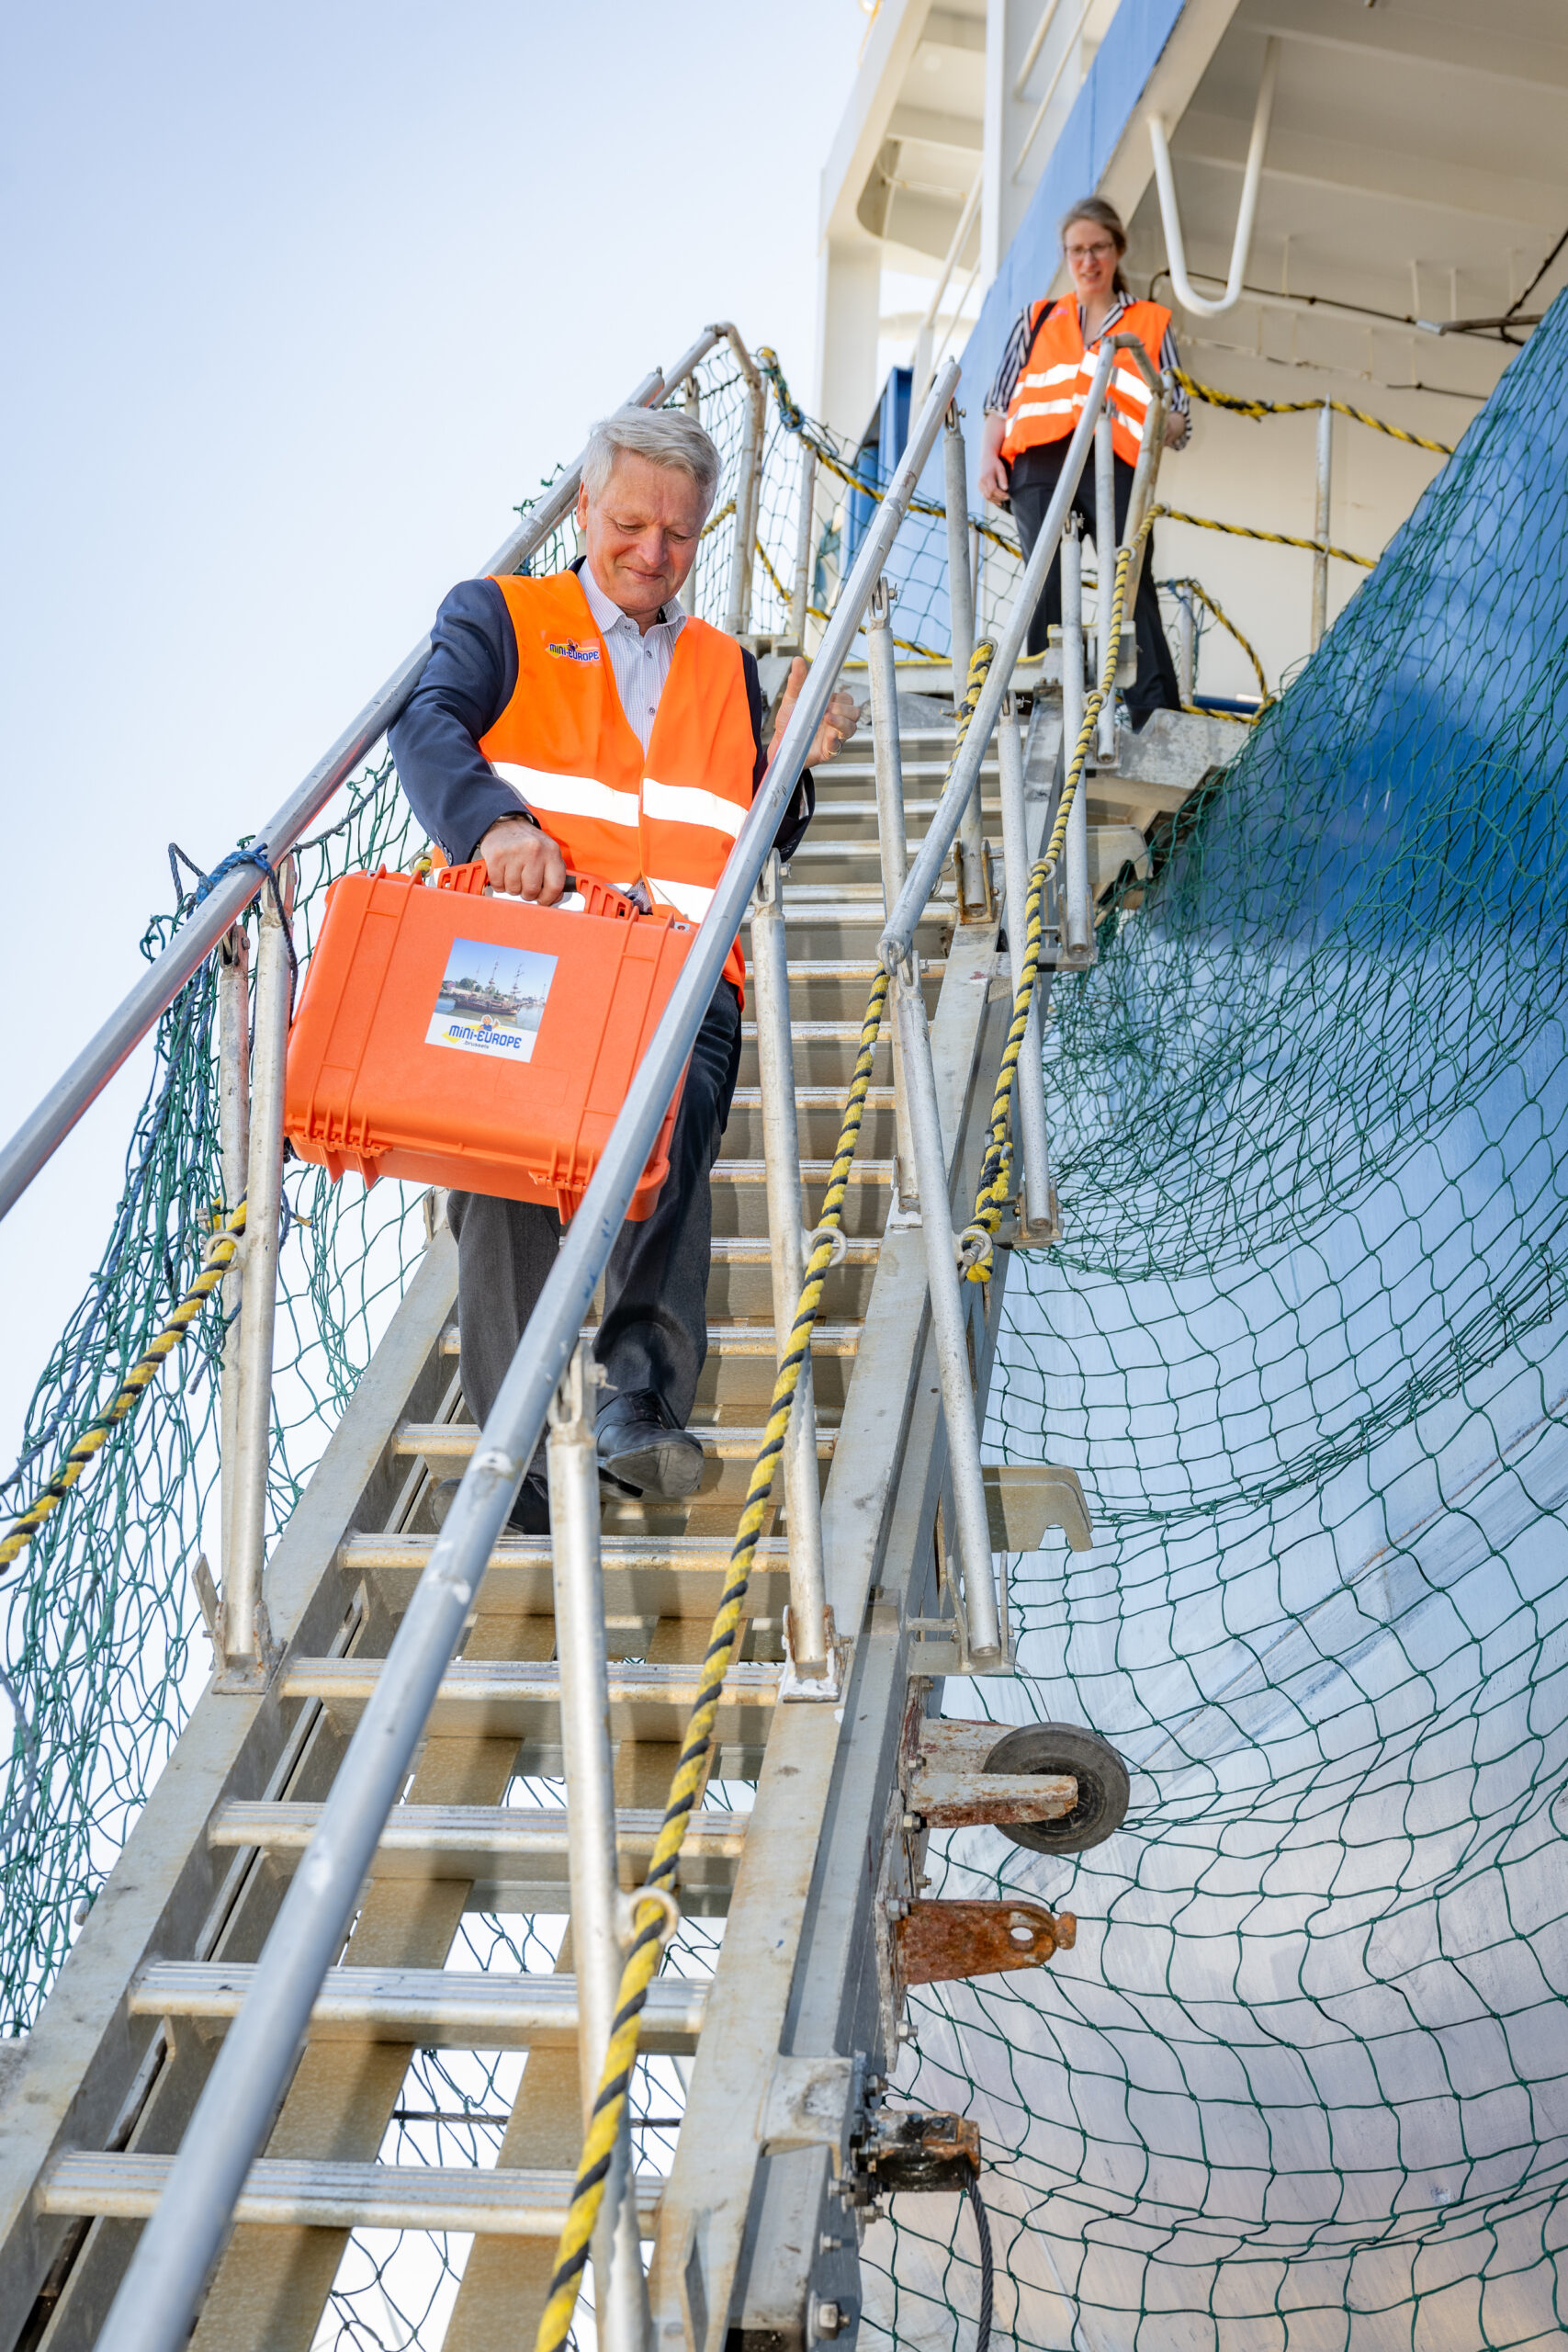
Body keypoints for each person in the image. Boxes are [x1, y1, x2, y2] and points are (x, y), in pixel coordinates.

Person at [390, 405, 857, 1529]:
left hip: (681, 967)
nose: (654, 553)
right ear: (584, 508)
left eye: (682, 535)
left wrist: (801, 762)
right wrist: (492, 824)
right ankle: (517, 1459)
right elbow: (426, 722)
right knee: (506, 1181)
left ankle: (638, 1400)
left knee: (675, 1123)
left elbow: (756, 832)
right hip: (528, 947)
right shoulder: (501, 614)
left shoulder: (725, 665)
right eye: (633, 523)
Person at [977, 195, 1186, 727]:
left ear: (1117, 251)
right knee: (1043, 582)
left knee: (1128, 579)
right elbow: (999, 405)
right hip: (1040, 467)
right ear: (1066, 257)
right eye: (1076, 251)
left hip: (1114, 462)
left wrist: (1161, 417)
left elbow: (1180, 417)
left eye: (1097, 248)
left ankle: (1154, 713)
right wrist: (987, 460)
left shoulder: (1150, 323)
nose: (1087, 261)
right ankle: (1039, 709)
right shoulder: (1037, 319)